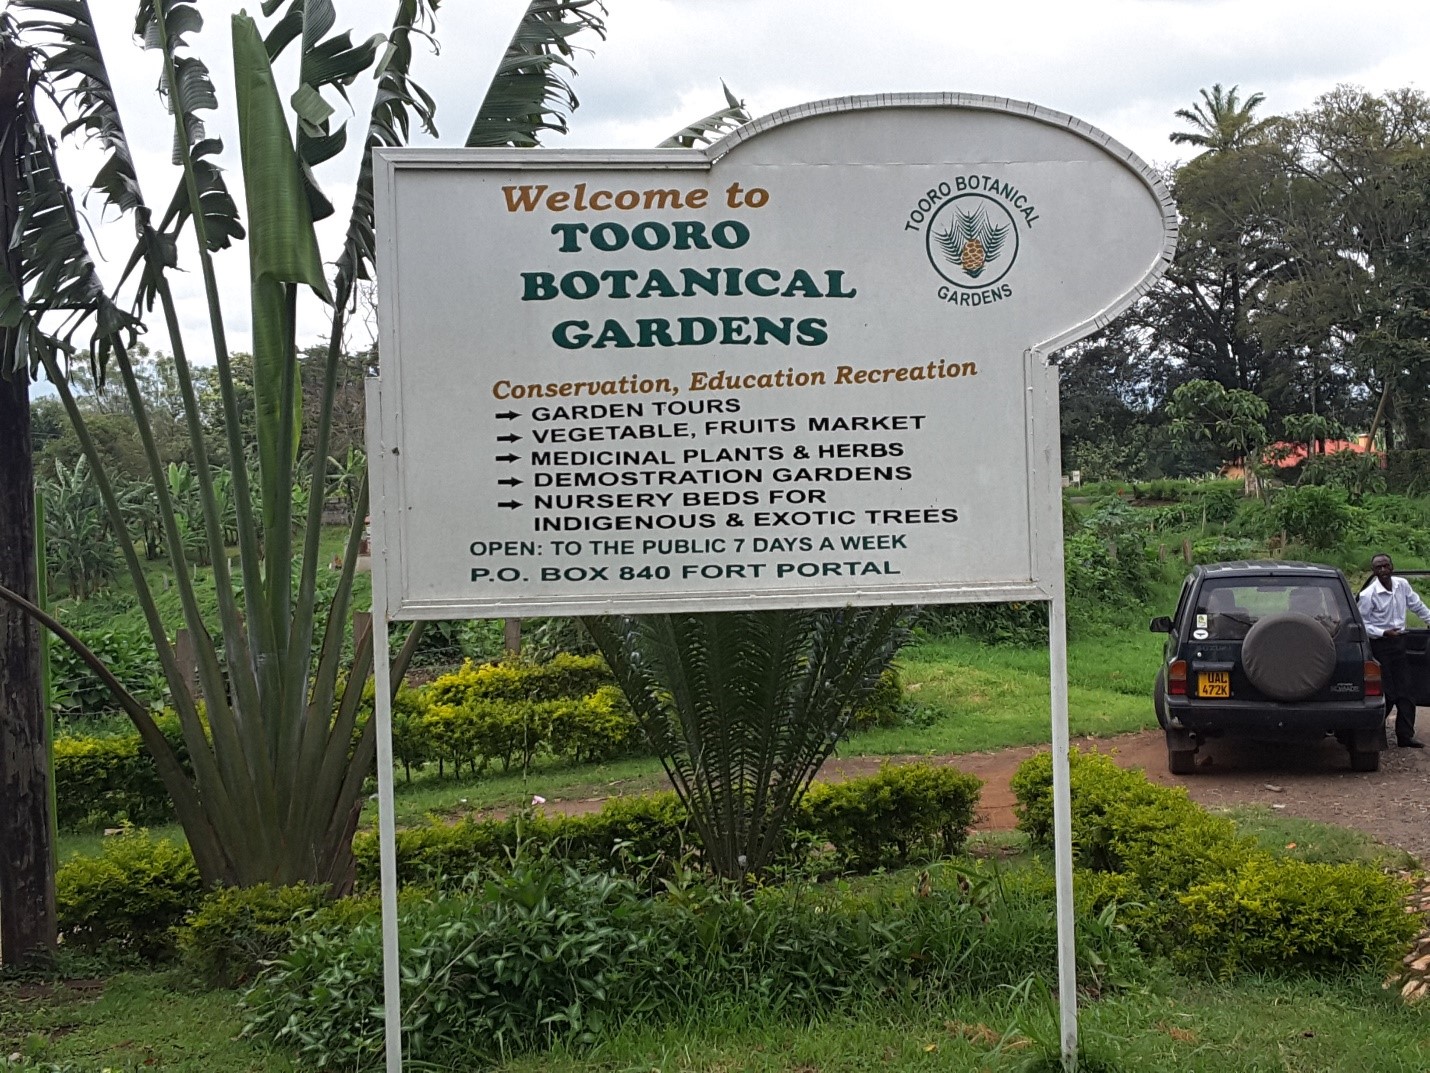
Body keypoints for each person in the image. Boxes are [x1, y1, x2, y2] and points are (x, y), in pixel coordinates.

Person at [1358, 553, 1430, 747]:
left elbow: (1417, 605)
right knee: (1387, 693)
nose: (1383, 570)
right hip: (1380, 645)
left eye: (1385, 566)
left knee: (1407, 692)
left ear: (1392, 567)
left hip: (1400, 644)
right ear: (1373, 571)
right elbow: (1362, 624)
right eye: (1378, 568)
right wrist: (1383, 632)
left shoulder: (1402, 585)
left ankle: (1405, 736)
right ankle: (1375, 735)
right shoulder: (1368, 595)